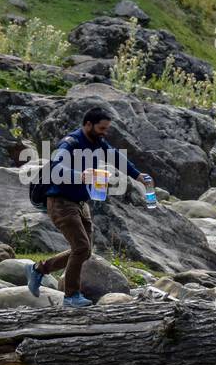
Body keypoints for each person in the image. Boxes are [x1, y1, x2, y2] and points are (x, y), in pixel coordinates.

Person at [27, 106, 151, 307]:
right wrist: (80, 176)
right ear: (88, 124)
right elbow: (56, 167)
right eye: (102, 128)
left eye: (106, 129)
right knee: (81, 247)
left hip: (81, 203)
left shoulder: (98, 142)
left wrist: (137, 175)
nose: (105, 132)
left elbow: (116, 157)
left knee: (84, 251)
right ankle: (71, 296)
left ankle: (39, 269)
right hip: (60, 202)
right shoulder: (70, 142)